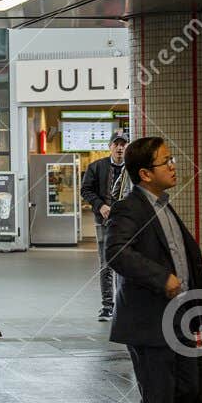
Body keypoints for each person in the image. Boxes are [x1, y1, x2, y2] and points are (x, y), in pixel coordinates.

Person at [101, 136, 202, 403]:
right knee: (160, 395)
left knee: (191, 386)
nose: (173, 165)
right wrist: (160, 277)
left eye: (172, 158)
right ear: (145, 173)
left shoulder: (164, 205)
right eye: (166, 161)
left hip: (177, 316)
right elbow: (116, 253)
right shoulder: (129, 208)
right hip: (148, 321)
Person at [80, 132, 132, 321]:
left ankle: (124, 305)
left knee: (127, 263)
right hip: (103, 222)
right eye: (116, 144)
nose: (120, 148)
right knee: (106, 264)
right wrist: (100, 205)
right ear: (110, 146)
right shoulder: (96, 167)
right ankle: (107, 306)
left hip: (127, 224)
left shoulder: (133, 169)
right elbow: (85, 190)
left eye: (123, 144)